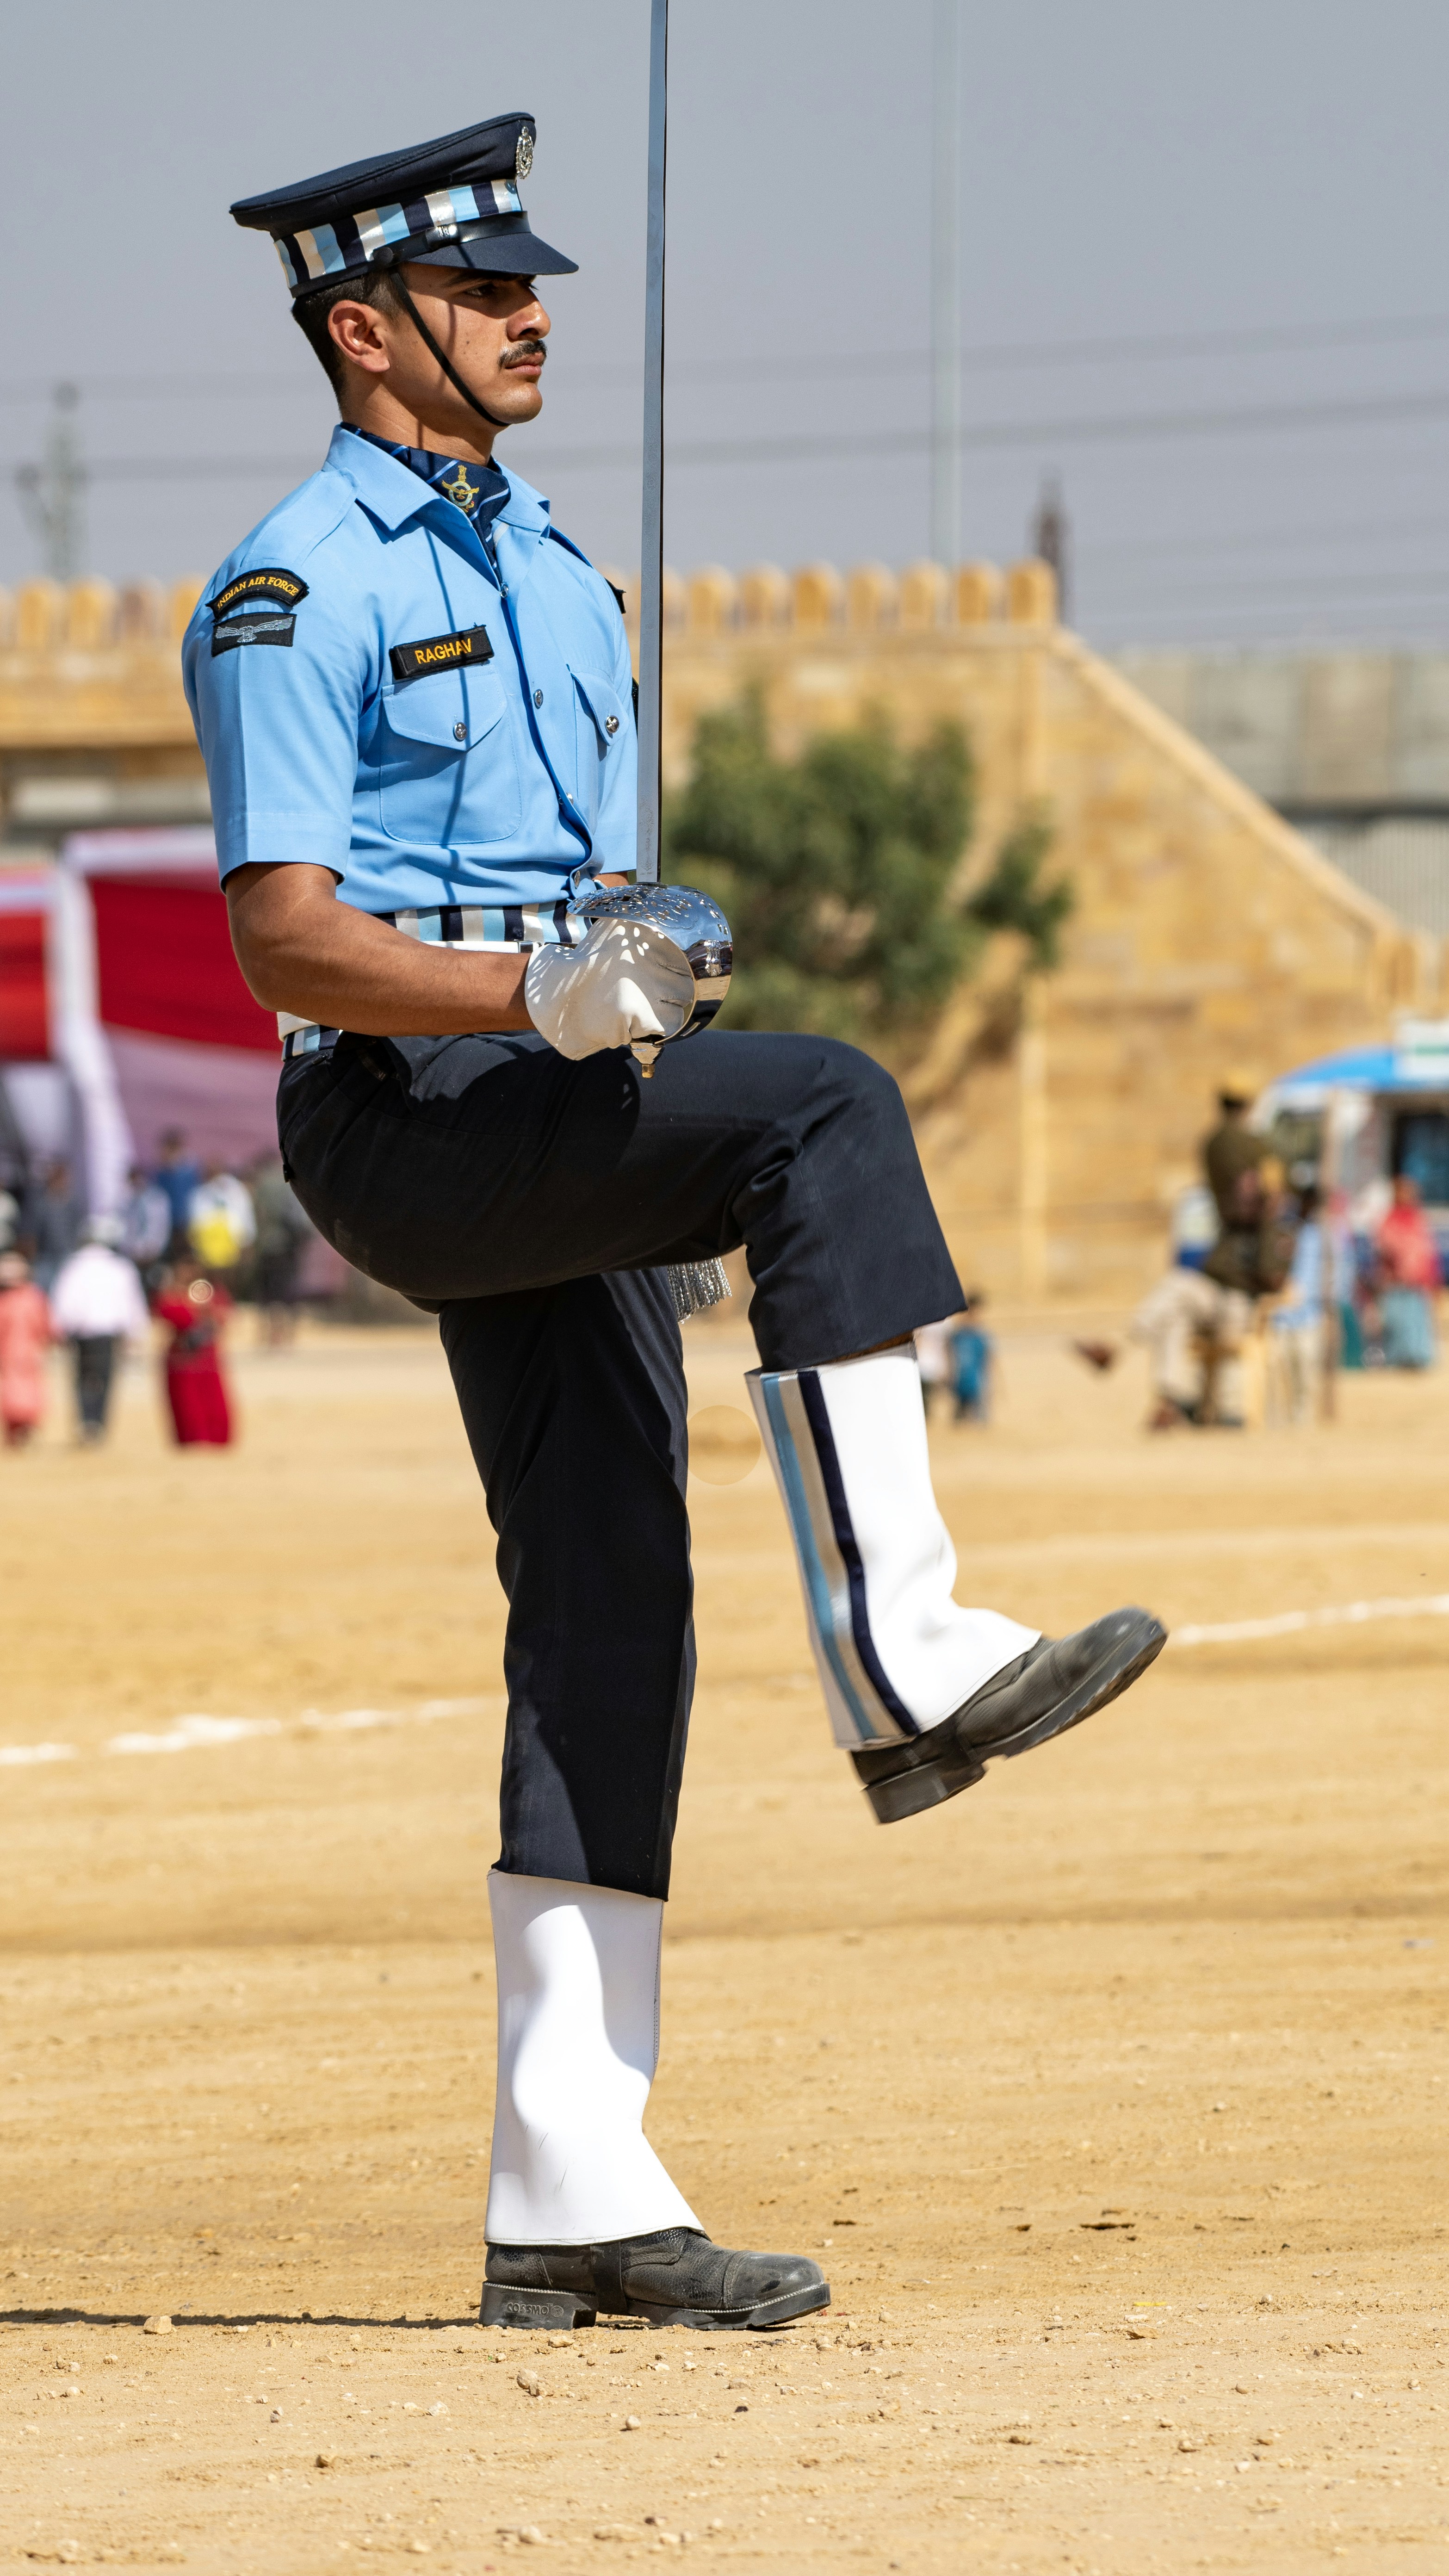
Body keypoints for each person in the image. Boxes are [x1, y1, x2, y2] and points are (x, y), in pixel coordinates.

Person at [185, 110, 1165, 2337]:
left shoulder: (561, 569)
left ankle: (570, 2184)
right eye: (477, 291)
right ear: (363, 330)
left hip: (558, 1095)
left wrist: (631, 948)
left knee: (611, 1592)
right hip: (408, 1109)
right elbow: (283, 936)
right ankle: (908, 1650)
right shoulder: (292, 583)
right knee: (827, 1104)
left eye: (531, 282)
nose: (529, 314)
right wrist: (529, 987)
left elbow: (577, 888)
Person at [49, 1216, 151, 1444]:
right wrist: (135, 1332)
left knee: (81, 1378)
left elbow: (64, 1300)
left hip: (81, 1333)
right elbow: (132, 1303)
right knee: (105, 1378)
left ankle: (86, 1421)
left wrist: (60, 1328)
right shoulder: (120, 1268)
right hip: (108, 1333)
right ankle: (98, 1423)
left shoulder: (74, 1266)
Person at [154, 1258, 235, 1446]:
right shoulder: (172, 1296)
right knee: (186, 1401)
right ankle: (192, 1438)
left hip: (204, 1356)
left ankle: (213, 1436)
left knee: (210, 1399)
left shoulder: (210, 1294)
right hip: (183, 1356)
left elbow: (222, 1318)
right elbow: (167, 1312)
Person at [1375, 1174, 1440, 1369]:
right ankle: (1398, 1360)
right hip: (1397, 1284)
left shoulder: (1417, 1218)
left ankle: (1417, 1359)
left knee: (1416, 1323)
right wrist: (1402, 1263)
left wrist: (1428, 1274)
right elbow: (1386, 1245)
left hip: (1417, 1284)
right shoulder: (1390, 1219)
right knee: (1398, 1323)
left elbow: (1426, 1250)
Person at [248, 1151, 314, 1344]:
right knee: (288, 1290)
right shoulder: (287, 1183)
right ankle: (288, 1333)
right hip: (286, 1246)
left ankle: (266, 1333)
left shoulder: (261, 1186)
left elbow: (255, 1218)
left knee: (266, 1292)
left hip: (265, 1247)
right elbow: (298, 1217)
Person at [0, 1250, 52, 1448]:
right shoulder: (12, 1299)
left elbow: (45, 1326)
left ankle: (25, 1429)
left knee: (24, 1393)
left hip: (27, 1354)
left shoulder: (33, 1297)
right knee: (13, 1393)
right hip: (10, 1354)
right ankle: (16, 1430)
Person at [186, 1158, 257, 1285]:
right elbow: (196, 1224)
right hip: (207, 1252)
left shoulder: (236, 1191)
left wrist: (247, 1242)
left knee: (231, 1282)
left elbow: (245, 1217)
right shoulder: (200, 1194)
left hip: (233, 1249)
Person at [28, 1158, 83, 1294]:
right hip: (45, 1259)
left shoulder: (72, 1204)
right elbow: (32, 1235)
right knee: (43, 1293)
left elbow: (78, 1231)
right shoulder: (41, 1204)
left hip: (67, 1257)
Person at [119, 1164, 173, 1291]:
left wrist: (153, 1250)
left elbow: (162, 1227)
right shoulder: (126, 1202)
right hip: (133, 1257)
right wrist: (132, 1251)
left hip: (155, 1255)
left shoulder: (157, 1198)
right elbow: (123, 1229)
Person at [949, 1294, 993, 1422]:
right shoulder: (957, 1335)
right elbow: (951, 1357)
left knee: (978, 1420)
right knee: (959, 1420)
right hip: (960, 1382)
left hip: (978, 1383)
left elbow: (989, 1360)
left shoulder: (982, 1335)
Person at [914, 1316, 951, 1418]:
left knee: (926, 1403)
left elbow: (947, 1345)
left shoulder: (946, 1323)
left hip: (931, 1365)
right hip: (923, 1364)